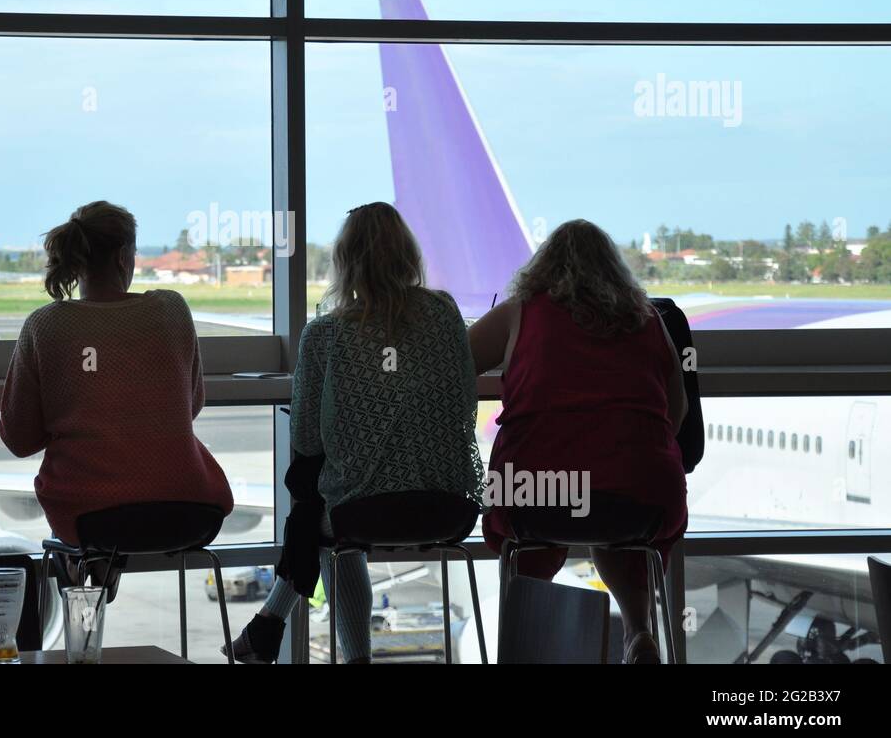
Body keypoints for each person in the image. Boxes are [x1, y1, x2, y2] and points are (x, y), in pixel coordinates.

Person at [229, 202, 484, 663]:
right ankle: (266, 628)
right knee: (323, 515)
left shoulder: (325, 334)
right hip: (452, 506)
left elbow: (306, 438)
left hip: (365, 514)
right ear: (408, 254)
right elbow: (463, 399)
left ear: (344, 261)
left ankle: (336, 651)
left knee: (321, 517)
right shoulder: (445, 315)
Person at [469, 219, 687, 664]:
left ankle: (524, 641)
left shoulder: (521, 311)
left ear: (543, 267)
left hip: (537, 492)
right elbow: (677, 413)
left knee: (536, 527)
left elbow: (449, 365)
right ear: (615, 269)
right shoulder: (648, 319)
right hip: (642, 494)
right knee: (610, 517)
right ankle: (638, 632)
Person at [0, 200, 233, 596]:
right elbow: (189, 406)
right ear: (125, 256)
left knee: (84, 516)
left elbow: (18, 440)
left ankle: (84, 596)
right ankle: (103, 574)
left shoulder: (47, 325)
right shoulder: (171, 309)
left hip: (93, 517)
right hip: (190, 512)